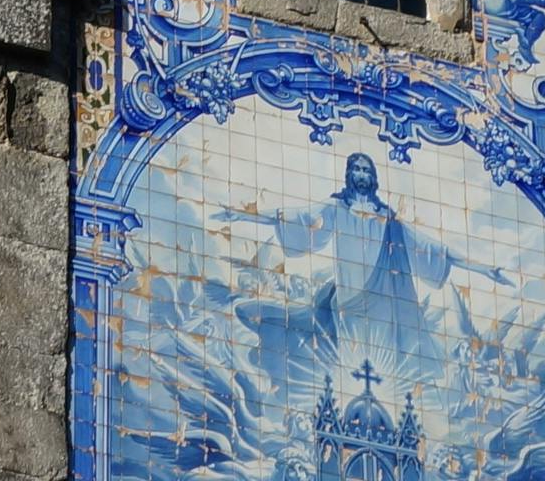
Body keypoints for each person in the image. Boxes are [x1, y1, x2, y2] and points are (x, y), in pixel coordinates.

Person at [216, 152, 507, 382]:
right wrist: (241, 215)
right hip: (350, 299)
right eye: (357, 169)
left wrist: (484, 270)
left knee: (384, 358)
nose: (362, 174)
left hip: (382, 301)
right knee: (349, 355)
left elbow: (432, 248)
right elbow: (294, 217)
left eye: (367, 170)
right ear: (348, 175)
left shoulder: (388, 219)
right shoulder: (336, 209)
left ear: (374, 177)